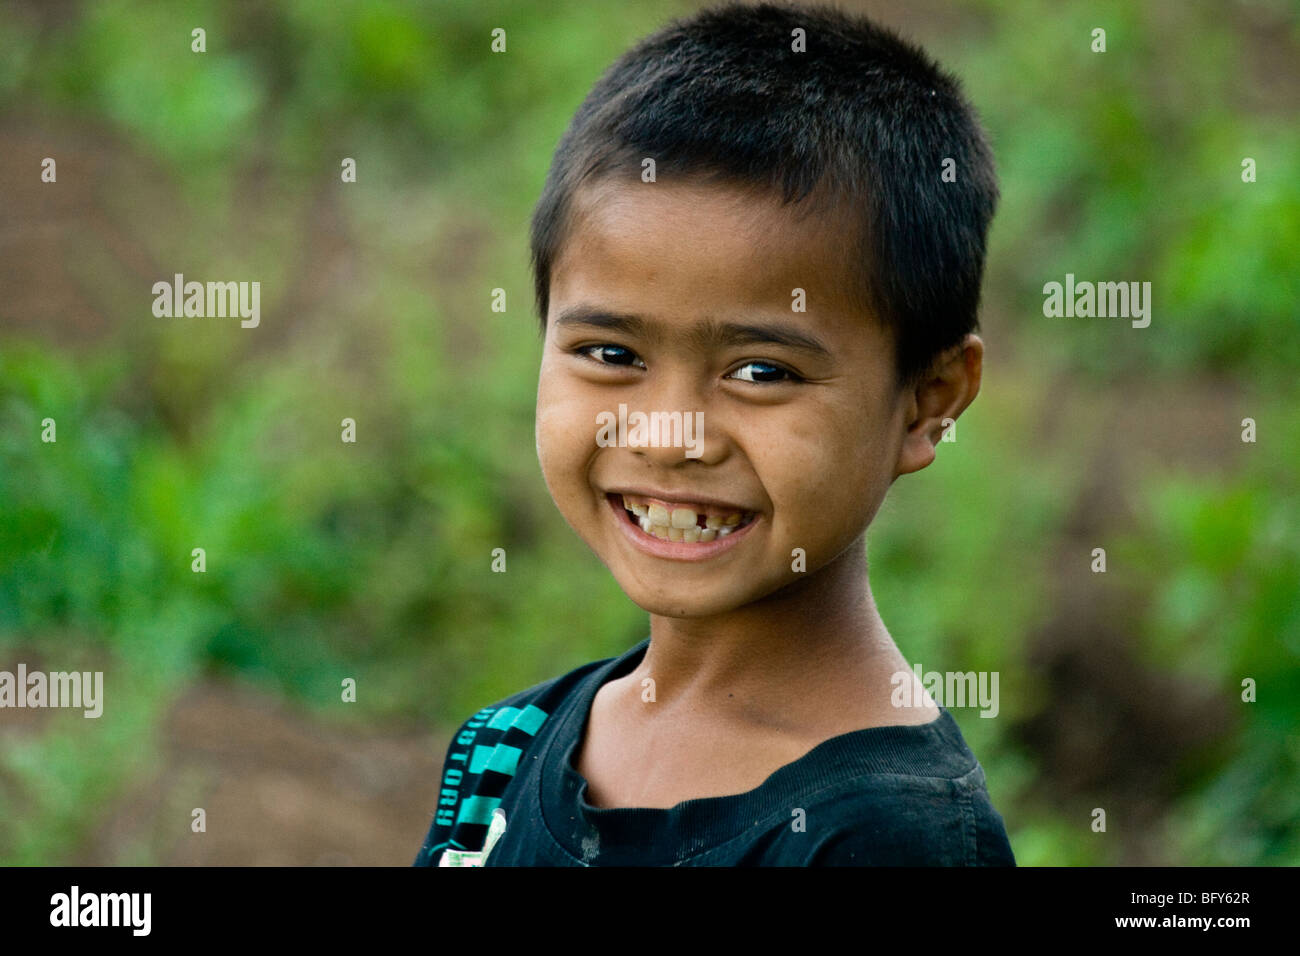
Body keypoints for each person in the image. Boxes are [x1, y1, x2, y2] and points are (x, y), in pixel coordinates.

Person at [416, 0, 1013, 866]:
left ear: (927, 402)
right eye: (611, 352)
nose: (668, 436)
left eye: (761, 372)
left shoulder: (893, 841)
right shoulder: (505, 751)